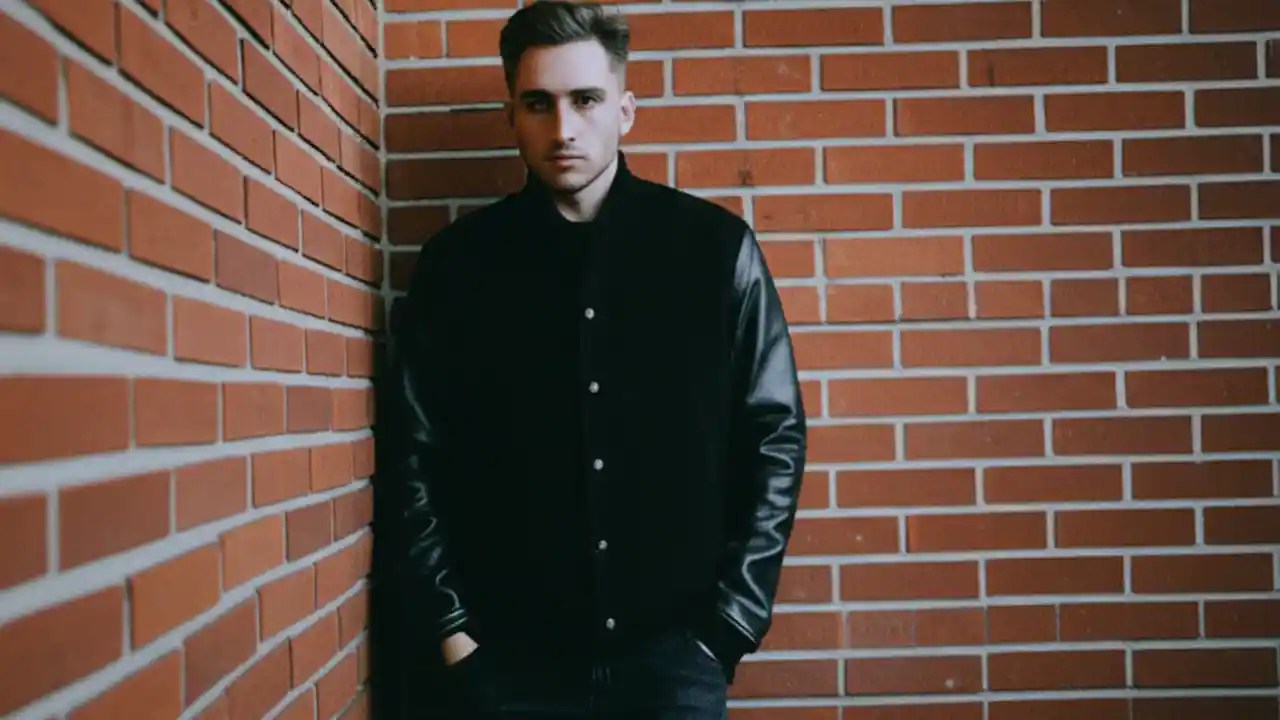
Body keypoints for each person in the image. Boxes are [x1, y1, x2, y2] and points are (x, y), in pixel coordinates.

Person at [385, 1, 807, 717]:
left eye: (585, 100)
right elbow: (411, 455)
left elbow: (775, 436)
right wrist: (451, 629)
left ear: (626, 109)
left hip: (675, 664)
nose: (563, 129)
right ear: (511, 115)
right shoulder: (458, 269)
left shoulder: (714, 251)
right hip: (508, 669)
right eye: (538, 104)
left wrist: (728, 626)